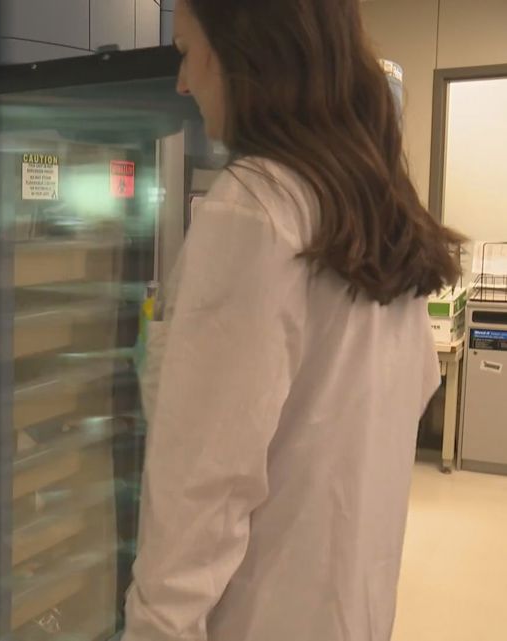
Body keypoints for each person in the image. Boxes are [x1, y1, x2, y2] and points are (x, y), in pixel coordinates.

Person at [123, 1, 465, 640]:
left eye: (185, 51)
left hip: (259, 616)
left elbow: (203, 492)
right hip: (352, 605)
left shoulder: (253, 205)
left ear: (245, 52)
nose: (183, 82)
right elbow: (416, 383)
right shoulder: (377, 204)